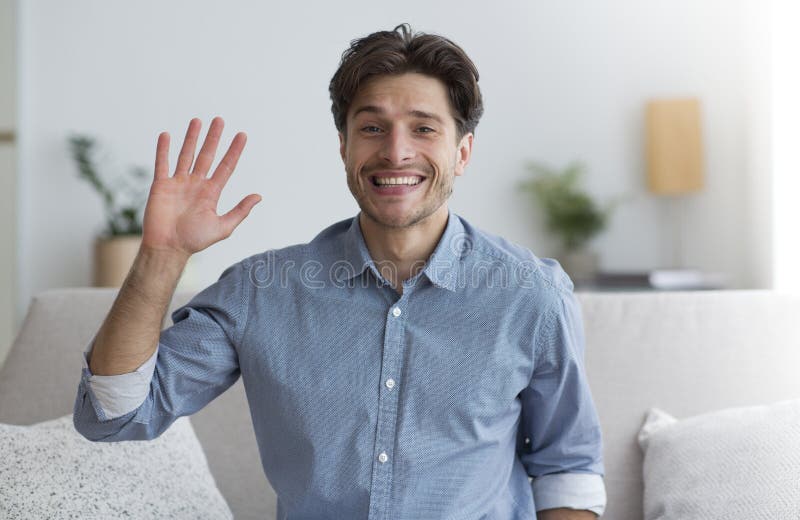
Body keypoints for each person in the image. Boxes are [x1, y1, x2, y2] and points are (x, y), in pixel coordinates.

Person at [74, 23, 606, 519]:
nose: (396, 152)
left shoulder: (530, 293)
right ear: (344, 146)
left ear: (462, 152)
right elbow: (115, 415)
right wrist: (162, 255)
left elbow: (568, 469)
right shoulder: (260, 294)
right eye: (372, 127)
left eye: (423, 128)